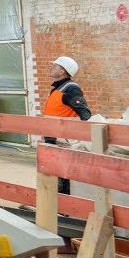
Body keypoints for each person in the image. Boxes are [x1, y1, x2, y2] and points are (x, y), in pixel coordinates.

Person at [43, 55, 91, 194]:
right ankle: (57, 207)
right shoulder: (58, 88)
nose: (52, 67)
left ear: (62, 72)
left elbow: (85, 115)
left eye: (55, 66)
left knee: (63, 177)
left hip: (63, 141)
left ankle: (65, 210)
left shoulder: (70, 89)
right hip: (53, 139)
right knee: (54, 176)